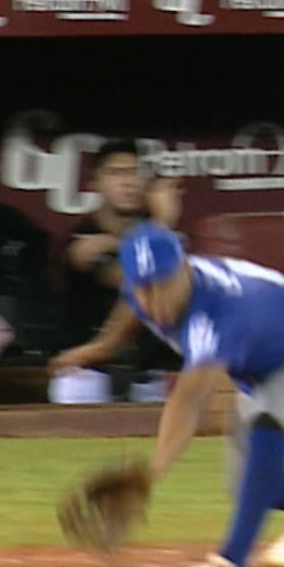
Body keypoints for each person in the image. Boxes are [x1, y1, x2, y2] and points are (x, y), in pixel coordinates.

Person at [48, 222, 284, 567]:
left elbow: (189, 401)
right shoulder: (140, 293)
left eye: (164, 284)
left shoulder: (219, 309)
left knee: (268, 427)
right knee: (248, 484)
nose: (155, 300)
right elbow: (130, 309)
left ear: (184, 268)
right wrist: (101, 347)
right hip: (271, 377)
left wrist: (151, 474)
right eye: (144, 288)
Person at [55, 138, 183, 403]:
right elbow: (128, 276)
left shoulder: (165, 238)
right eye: (116, 173)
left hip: (150, 371)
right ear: (95, 183)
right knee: (73, 389)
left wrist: (118, 242)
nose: (128, 182)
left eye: (135, 173)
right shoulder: (81, 237)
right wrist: (163, 223)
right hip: (87, 369)